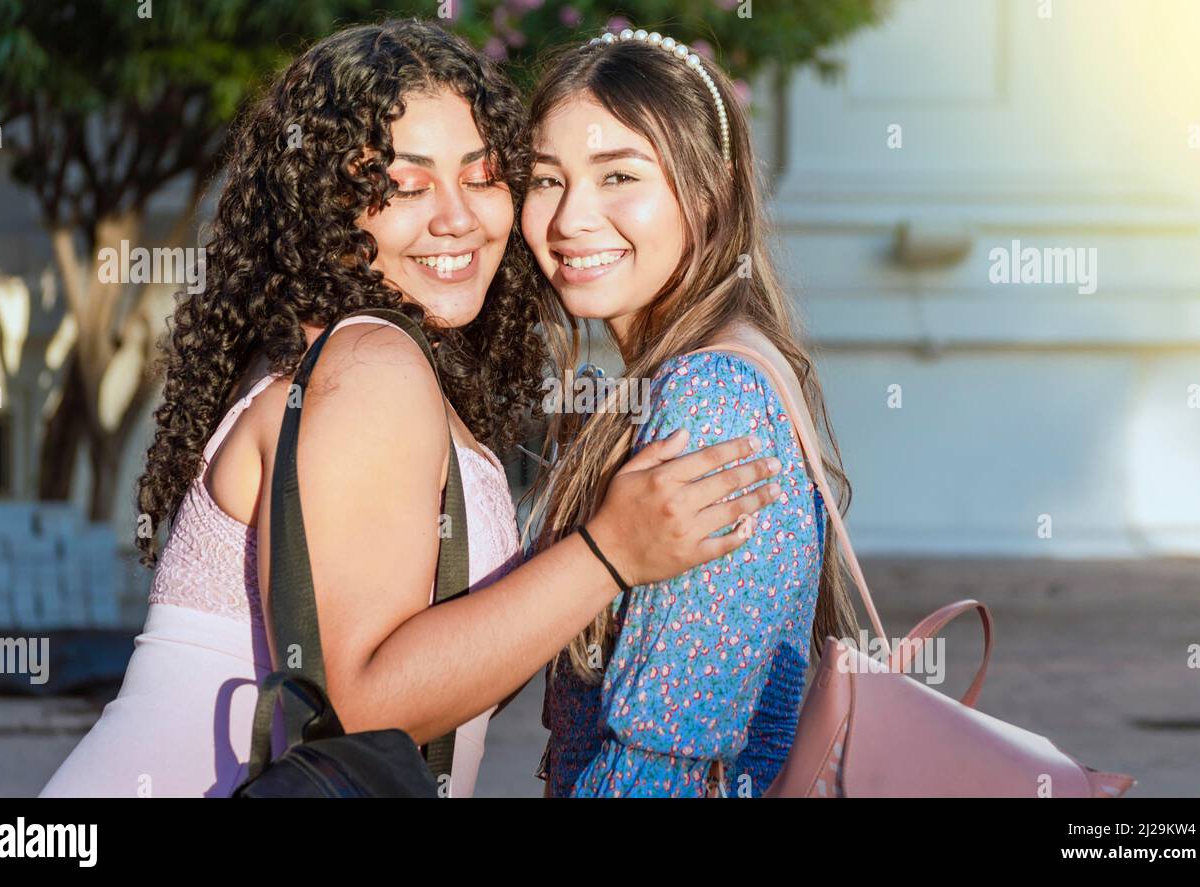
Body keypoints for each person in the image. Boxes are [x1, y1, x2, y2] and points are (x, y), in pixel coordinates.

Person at [40, 19, 779, 799]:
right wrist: (609, 552)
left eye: (484, 174)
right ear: (329, 207)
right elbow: (361, 705)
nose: (458, 217)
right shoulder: (369, 365)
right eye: (407, 184)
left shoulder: (360, 355)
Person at [522, 29, 860, 797]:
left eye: (618, 176)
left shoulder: (708, 399)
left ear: (709, 189)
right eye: (546, 180)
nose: (572, 216)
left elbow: (662, 757)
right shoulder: (694, 371)